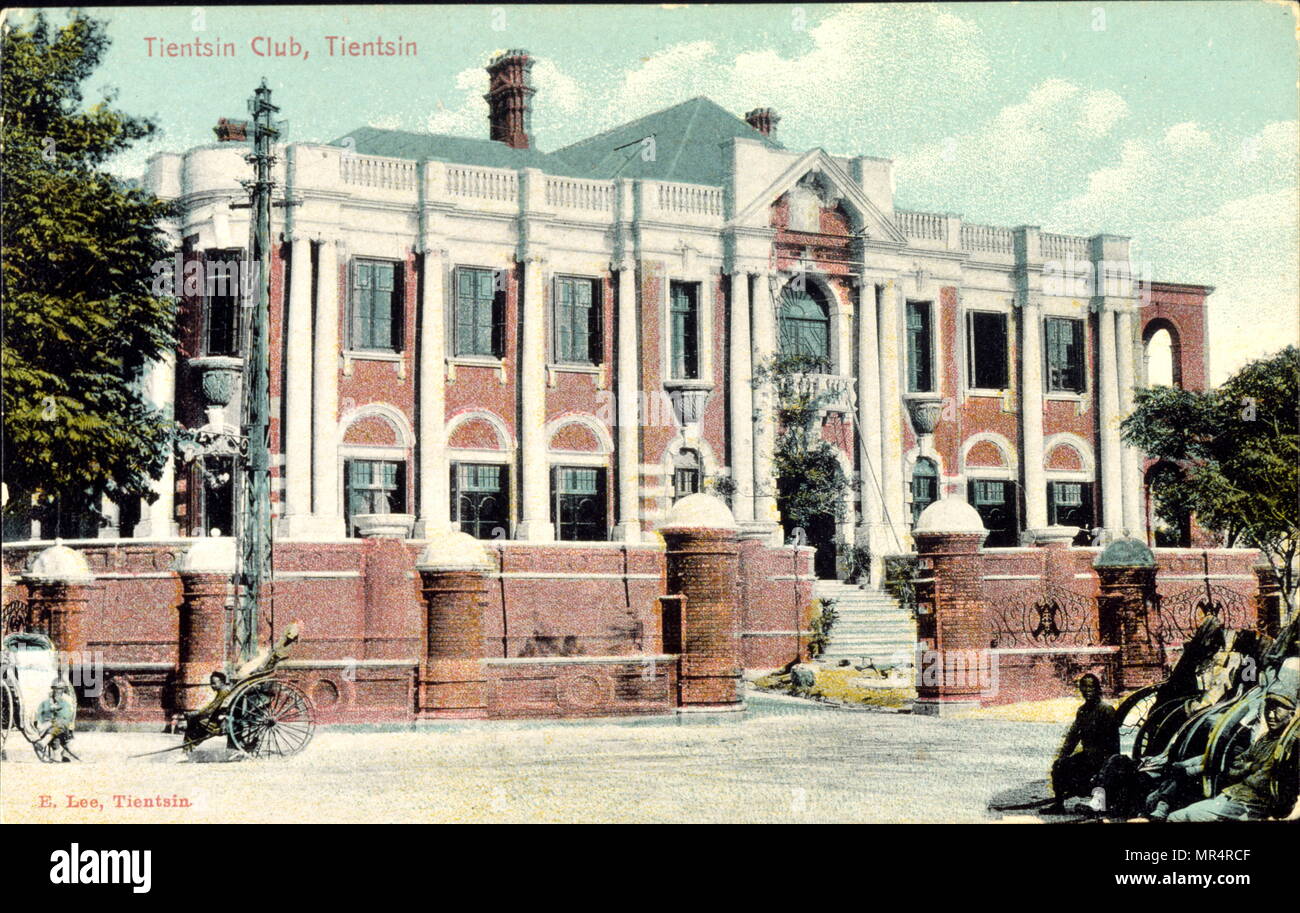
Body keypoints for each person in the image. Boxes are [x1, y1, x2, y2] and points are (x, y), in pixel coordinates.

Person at [1166, 691, 1296, 822]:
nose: (1270, 716)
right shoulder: (1265, 738)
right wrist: (1250, 767)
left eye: (1277, 711)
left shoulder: (1286, 747)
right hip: (1236, 794)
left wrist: (1244, 771)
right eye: (1267, 710)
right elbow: (1234, 766)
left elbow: (1259, 782)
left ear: (1291, 715)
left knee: (1177, 817)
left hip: (1252, 804)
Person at [1048, 673, 1119, 812]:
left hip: (1103, 758)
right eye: (1084, 688)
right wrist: (1063, 756)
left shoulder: (1106, 710)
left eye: (1091, 687)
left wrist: (1108, 764)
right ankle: (1058, 804)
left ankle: (1099, 800)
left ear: (1098, 689)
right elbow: (1073, 737)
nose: (1087, 691)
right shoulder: (1082, 711)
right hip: (1088, 756)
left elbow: (1113, 743)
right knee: (1059, 766)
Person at [181, 670, 233, 749]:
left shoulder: (223, 692)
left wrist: (194, 713)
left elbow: (211, 709)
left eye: (214, 683)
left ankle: (188, 747)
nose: (212, 685)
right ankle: (189, 746)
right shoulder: (224, 691)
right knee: (196, 725)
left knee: (194, 721)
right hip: (217, 720)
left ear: (222, 682)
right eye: (211, 683)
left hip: (217, 723)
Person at [34, 679, 77, 762]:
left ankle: (44, 743)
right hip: (52, 728)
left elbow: (68, 716)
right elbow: (41, 712)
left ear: (63, 689)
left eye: (60, 688)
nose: (57, 690)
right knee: (54, 733)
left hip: (64, 727)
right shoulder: (48, 699)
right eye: (55, 688)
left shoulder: (67, 699)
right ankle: (57, 755)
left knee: (60, 723)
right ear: (52, 689)